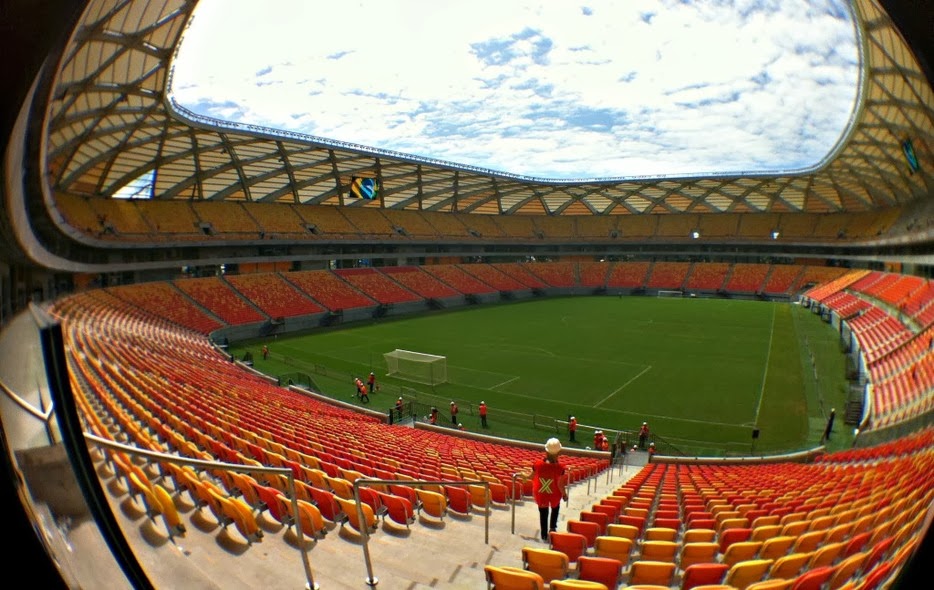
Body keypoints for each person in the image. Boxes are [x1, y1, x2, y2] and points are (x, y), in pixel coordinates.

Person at [531, 437, 568, 542]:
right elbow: (560, 484)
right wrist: (564, 495)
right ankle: (552, 528)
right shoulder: (560, 468)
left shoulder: (537, 464)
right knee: (555, 509)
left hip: (541, 494)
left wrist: (523, 476)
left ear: (546, 451)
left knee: (543, 514)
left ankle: (543, 535)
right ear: (558, 453)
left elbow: (531, 476)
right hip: (554, 494)